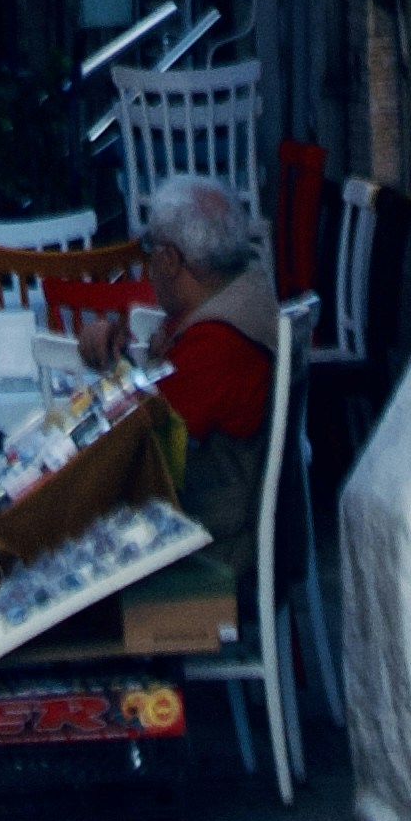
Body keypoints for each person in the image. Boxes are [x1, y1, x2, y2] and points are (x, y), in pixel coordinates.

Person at [80, 172, 281, 586]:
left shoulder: (219, 340)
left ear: (170, 260)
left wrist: (104, 366)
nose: (149, 268)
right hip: (205, 517)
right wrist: (124, 350)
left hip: (204, 540)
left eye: (151, 253)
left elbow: (132, 436)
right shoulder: (241, 296)